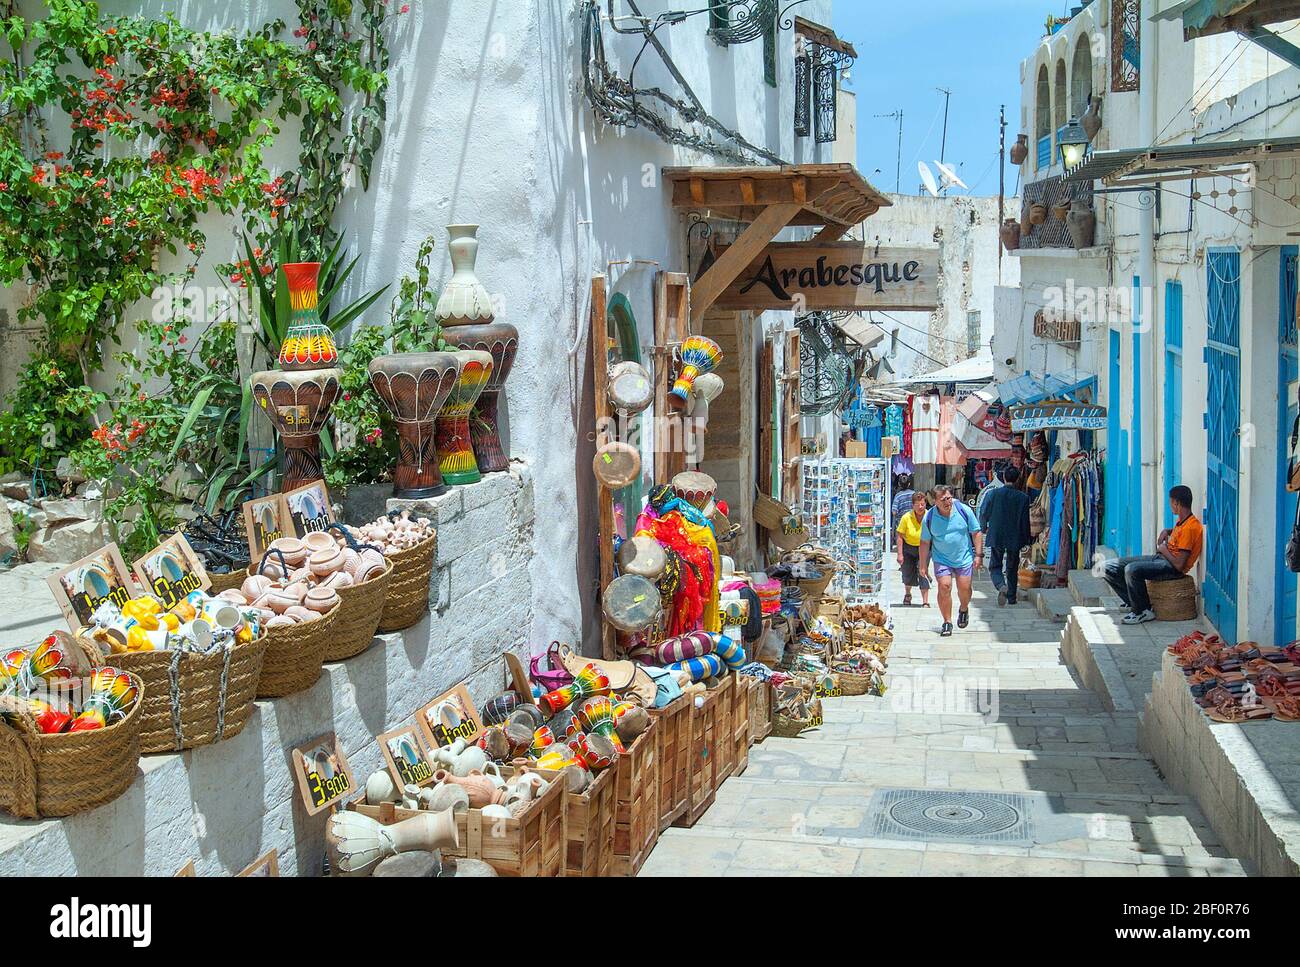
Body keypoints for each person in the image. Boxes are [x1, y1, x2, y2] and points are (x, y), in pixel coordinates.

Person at [1101, 485, 1205, 625]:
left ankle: (1142, 611)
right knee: (1107, 567)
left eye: (1171, 503)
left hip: (1171, 567)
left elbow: (1179, 565)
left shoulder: (1191, 527)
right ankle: (1133, 602)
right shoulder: (1183, 521)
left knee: (1132, 570)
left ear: (1177, 504)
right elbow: (1179, 534)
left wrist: (1163, 549)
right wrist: (1167, 531)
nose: (1170, 506)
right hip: (1162, 559)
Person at [918, 485, 984, 637]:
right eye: (943, 500)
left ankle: (964, 608)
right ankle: (947, 622)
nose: (948, 502)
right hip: (941, 558)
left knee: (965, 589)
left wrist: (978, 555)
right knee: (944, 586)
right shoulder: (929, 518)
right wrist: (923, 565)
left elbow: (976, 532)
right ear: (935, 502)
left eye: (949, 498)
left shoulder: (964, 510)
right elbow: (925, 542)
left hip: (964, 557)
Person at [979, 466, 1032, 606]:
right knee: (1012, 566)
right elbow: (1025, 520)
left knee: (995, 565)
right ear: (1017, 479)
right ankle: (1012, 597)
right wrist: (1027, 539)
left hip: (996, 533)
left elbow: (984, 512)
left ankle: (1001, 585)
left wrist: (984, 528)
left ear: (1004, 478)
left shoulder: (993, 494)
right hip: (1015, 535)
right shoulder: (1023, 498)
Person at [896, 491, 931, 607]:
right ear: (913, 505)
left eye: (922, 504)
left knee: (923, 571)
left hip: (924, 548)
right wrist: (900, 554)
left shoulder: (929, 516)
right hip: (908, 548)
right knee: (907, 572)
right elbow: (900, 536)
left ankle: (925, 601)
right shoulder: (906, 517)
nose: (920, 507)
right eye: (917, 505)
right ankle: (907, 594)